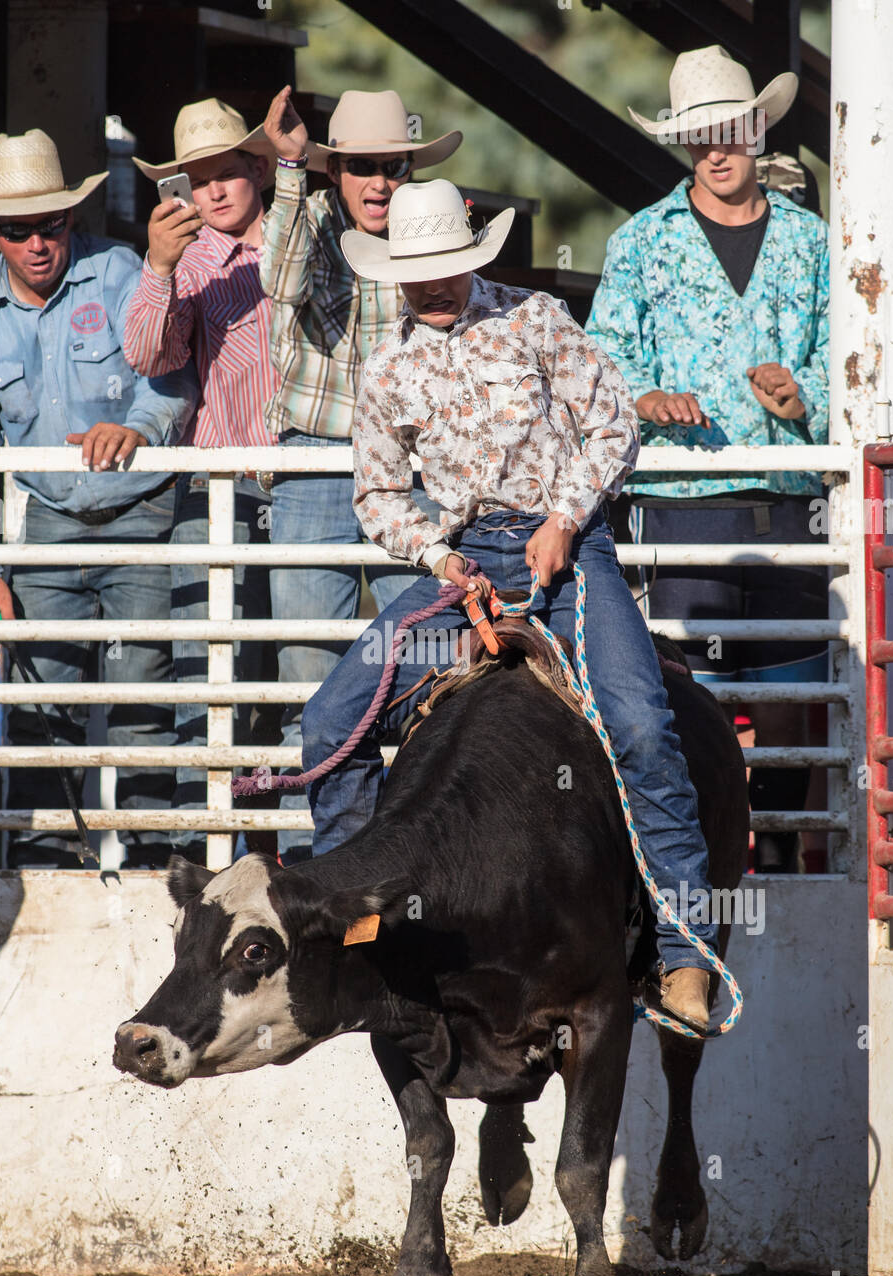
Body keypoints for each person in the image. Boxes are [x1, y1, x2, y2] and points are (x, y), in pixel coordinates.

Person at [300, 178, 718, 1030]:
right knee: (330, 727)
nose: (436, 284)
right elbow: (378, 496)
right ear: (394, 274)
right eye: (419, 271)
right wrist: (440, 558)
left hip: (570, 553)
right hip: (463, 571)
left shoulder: (535, 321)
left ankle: (684, 955)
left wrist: (565, 517)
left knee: (639, 722)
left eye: (449, 265)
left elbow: (613, 427)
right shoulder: (389, 369)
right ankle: (362, 925)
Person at [585, 46, 830, 874]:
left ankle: (793, 852)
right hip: (683, 502)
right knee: (697, 702)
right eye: (700, 137)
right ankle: (709, 860)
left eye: (730, 131)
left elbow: (847, 361)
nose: (717, 150)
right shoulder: (639, 243)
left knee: (793, 696)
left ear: (758, 129)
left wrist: (805, 400)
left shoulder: (814, 243)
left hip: (793, 497)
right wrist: (647, 400)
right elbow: (602, 360)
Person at [0, 129, 197, 870]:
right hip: (44, 525)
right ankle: (48, 863)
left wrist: (137, 427)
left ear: (70, 220)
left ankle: (155, 870)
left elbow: (173, 380)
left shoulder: (122, 274)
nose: (37, 243)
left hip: (143, 510)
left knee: (144, 697)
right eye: (18, 230)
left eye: (49, 225)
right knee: (41, 705)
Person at [259, 86, 460, 864]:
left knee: (421, 674)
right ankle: (308, 871)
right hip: (317, 462)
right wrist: (286, 167)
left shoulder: (430, 234)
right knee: (308, 676)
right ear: (333, 172)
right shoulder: (305, 218)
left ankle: (405, 861)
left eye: (393, 167)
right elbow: (277, 282)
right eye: (363, 169)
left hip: (409, 471)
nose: (379, 183)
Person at [123, 98, 279, 865]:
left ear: (257, 170)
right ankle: (200, 859)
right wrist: (156, 265)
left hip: (309, 486)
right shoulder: (185, 261)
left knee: (299, 676)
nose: (214, 192)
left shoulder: (301, 244)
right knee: (209, 679)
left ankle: (292, 860)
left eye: (227, 174)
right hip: (222, 483)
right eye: (198, 179)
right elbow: (149, 358)